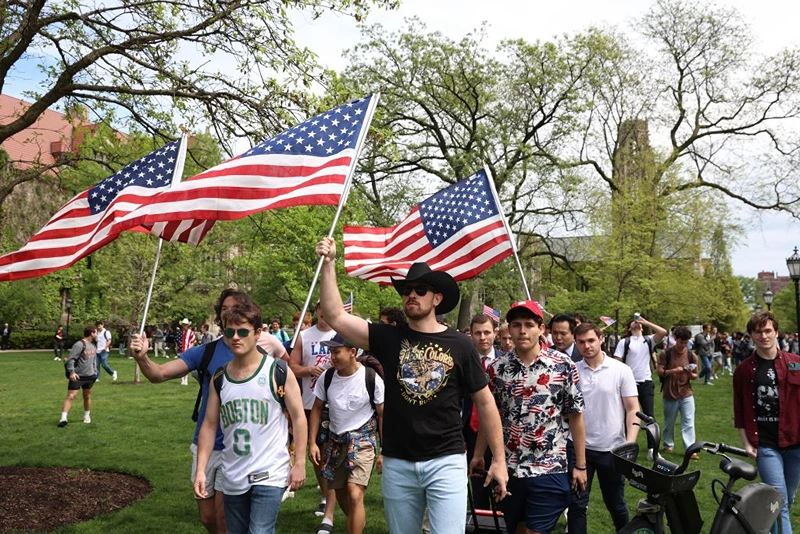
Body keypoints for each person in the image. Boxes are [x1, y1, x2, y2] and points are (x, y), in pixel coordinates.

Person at [315, 237, 508, 534]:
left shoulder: (460, 344)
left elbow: (485, 402)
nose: (411, 295)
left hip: (446, 460)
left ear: (437, 298)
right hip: (398, 463)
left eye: (420, 290)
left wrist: (499, 460)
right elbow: (336, 316)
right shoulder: (388, 337)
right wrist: (329, 264)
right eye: (407, 291)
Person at [129, 289, 288, 534]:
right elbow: (159, 374)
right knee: (208, 518)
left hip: (237, 450)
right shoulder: (206, 352)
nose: (229, 312)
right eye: (224, 309)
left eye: (235, 308)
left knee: (225, 519)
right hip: (205, 444)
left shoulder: (260, 356)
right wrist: (142, 358)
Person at [474, 300, 586, 534]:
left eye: (529, 325)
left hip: (549, 467)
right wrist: (478, 454)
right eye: (516, 325)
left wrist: (581, 465)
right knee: (516, 528)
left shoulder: (563, 366)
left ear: (541, 329)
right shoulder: (497, 369)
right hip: (509, 469)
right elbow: (489, 416)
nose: (522, 331)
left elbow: (576, 416)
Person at [195, 302, 307, 534]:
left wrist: (299, 463)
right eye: (230, 332)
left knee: (260, 530)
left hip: (270, 471)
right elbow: (209, 425)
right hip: (233, 473)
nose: (236, 337)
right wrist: (201, 469)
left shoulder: (278, 371)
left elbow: (298, 418)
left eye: (243, 331)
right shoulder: (220, 377)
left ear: (257, 333)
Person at [308, 333, 385, 534]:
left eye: (336, 352)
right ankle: (357, 523)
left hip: (363, 441)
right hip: (336, 443)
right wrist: (312, 442)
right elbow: (316, 408)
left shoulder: (371, 378)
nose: (332, 357)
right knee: (342, 495)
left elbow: (382, 415)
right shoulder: (327, 377)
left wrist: (384, 451)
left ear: (352, 352)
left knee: (354, 494)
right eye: (331, 352)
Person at [567, 322, 638, 534]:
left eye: (591, 340)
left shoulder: (621, 370)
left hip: (612, 450)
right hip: (578, 449)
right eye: (581, 342)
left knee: (616, 504)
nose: (586, 346)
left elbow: (633, 409)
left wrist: (630, 443)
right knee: (577, 505)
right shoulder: (572, 370)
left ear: (601, 339)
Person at [733, 311, 800, 534]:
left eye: (768, 330)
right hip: (766, 445)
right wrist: (746, 442)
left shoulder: (796, 363)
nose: (764, 336)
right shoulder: (744, 370)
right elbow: (740, 408)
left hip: (795, 443)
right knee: (779, 500)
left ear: (776, 332)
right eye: (758, 332)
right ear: (751, 335)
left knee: (787, 499)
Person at [288, 301, 338, 532]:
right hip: (310, 402)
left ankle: (333, 501)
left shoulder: (342, 333)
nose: (324, 314)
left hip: (337, 403)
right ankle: (325, 495)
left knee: (333, 452)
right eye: (321, 309)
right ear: (317, 311)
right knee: (316, 452)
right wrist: (309, 370)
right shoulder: (304, 336)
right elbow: (292, 366)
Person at [464, 313, 503, 508]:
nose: (482, 337)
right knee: (478, 488)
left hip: (500, 432)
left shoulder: (505, 362)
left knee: (501, 490)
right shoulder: (463, 361)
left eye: (487, 332)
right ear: (471, 334)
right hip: (470, 431)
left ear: (495, 333)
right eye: (477, 333)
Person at [613, 316, 666, 419]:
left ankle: (651, 430)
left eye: (638, 322)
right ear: (629, 328)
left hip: (646, 382)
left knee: (649, 416)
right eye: (633, 322)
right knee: (629, 415)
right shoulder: (624, 342)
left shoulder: (649, 340)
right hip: (629, 382)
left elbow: (663, 332)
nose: (636, 322)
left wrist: (646, 322)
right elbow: (616, 361)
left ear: (642, 328)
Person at [656, 326, 698, 457]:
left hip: (686, 392)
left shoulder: (691, 355)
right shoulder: (666, 353)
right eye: (681, 342)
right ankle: (668, 445)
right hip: (670, 392)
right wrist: (673, 371)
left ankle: (690, 449)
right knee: (669, 422)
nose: (683, 345)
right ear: (675, 339)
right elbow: (659, 371)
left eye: (686, 342)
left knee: (689, 422)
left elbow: (695, 376)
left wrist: (689, 373)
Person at [58, 326, 98, 426]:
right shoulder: (79, 345)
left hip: (90, 376)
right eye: (96, 332)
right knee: (71, 396)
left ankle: (87, 416)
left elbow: (94, 361)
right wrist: (72, 372)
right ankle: (63, 418)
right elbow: (70, 360)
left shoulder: (93, 346)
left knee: (87, 396)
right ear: (92, 333)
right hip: (78, 376)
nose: (97, 335)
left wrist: (95, 372)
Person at [179, 318, 197, 386]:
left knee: (186, 365)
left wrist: (190, 349)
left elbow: (193, 341)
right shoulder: (182, 332)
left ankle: (185, 379)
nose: (184, 326)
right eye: (184, 325)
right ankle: (182, 379)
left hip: (187, 350)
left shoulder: (190, 332)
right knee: (181, 365)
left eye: (186, 325)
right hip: (182, 350)